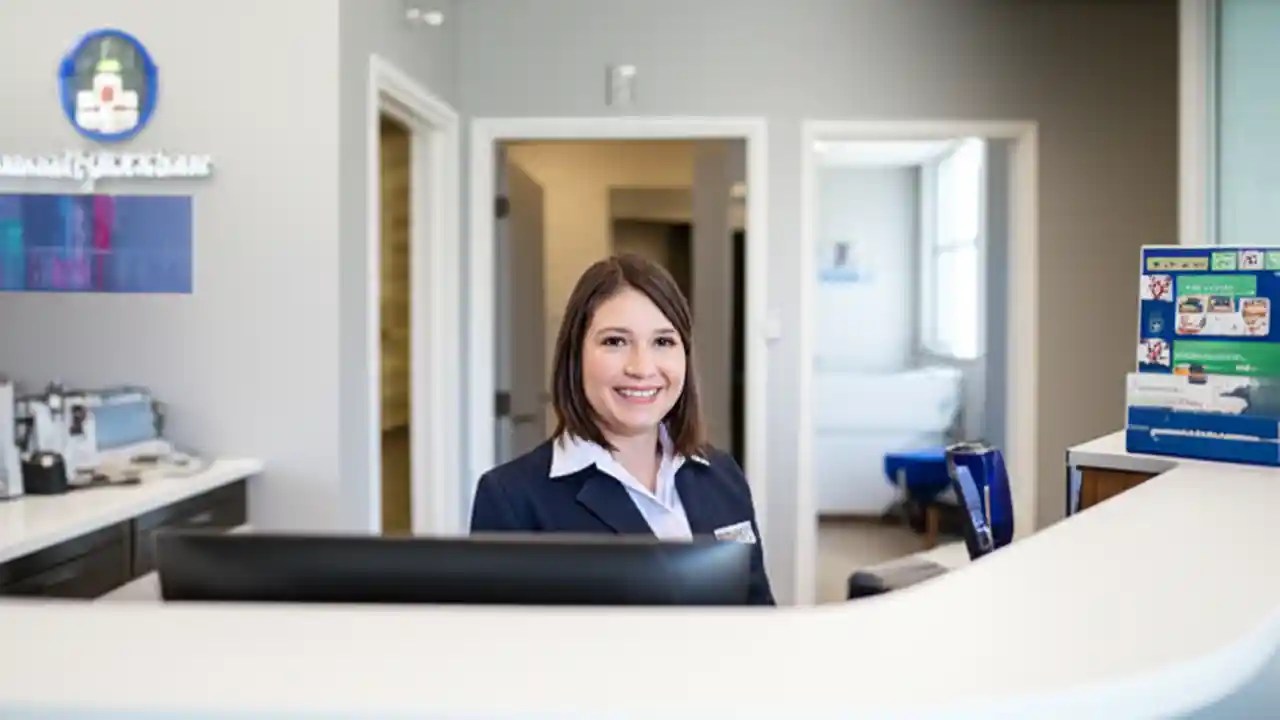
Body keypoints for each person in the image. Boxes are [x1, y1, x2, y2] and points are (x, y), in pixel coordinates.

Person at [470, 254, 774, 605]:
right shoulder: (512, 498)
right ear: (575, 356)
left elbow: (759, 614)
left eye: (663, 342)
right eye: (615, 341)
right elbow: (504, 650)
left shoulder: (723, 475)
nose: (642, 368)